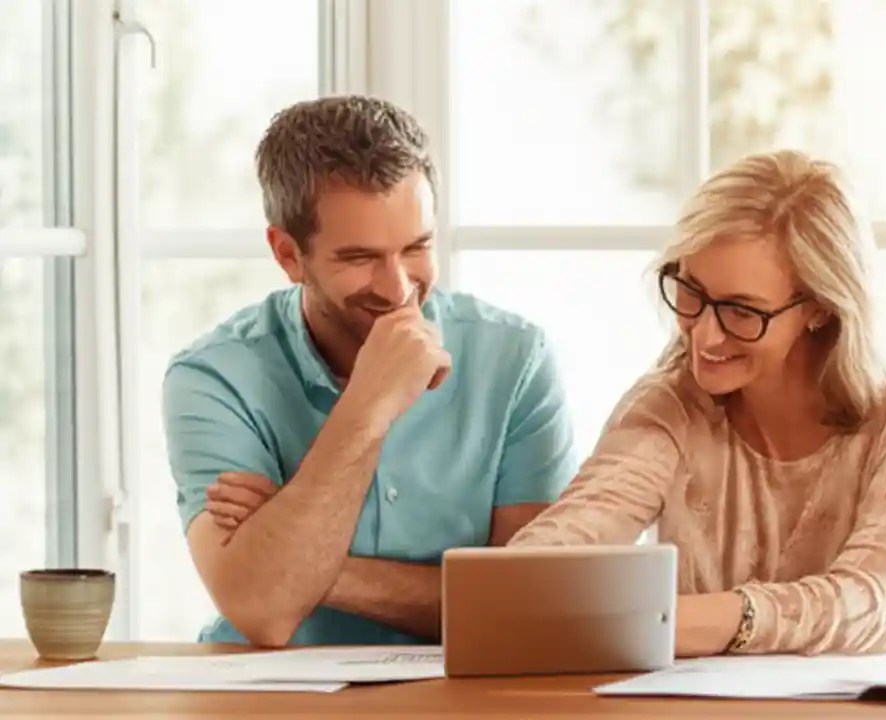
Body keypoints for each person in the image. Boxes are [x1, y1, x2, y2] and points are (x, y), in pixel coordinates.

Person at [509, 150, 886, 658]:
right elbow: (543, 563)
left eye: (742, 311)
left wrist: (691, 620)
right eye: (690, 292)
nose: (704, 333)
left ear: (818, 307)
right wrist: (532, 588)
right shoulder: (671, 403)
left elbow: (866, 597)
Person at [162, 95, 578, 647]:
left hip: (459, 697)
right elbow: (263, 612)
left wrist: (306, 567)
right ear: (288, 254)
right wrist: (369, 403)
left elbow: (528, 607)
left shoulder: (516, 360)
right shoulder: (212, 379)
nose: (399, 287)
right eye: (359, 258)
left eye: (417, 247)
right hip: (268, 698)